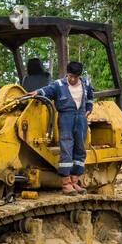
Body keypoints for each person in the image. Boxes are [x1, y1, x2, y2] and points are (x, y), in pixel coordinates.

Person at [33, 61, 94, 194]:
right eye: (70, 76)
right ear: (67, 74)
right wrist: (37, 92)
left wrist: (89, 108)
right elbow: (47, 91)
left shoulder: (86, 84)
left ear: (79, 76)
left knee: (80, 149)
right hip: (66, 117)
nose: (72, 79)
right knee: (66, 148)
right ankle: (66, 183)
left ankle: (75, 181)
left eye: (75, 77)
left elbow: (90, 97)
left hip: (81, 118)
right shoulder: (59, 85)